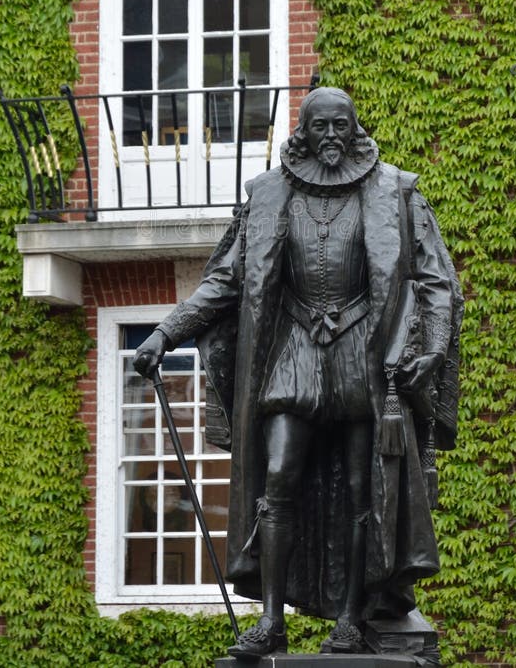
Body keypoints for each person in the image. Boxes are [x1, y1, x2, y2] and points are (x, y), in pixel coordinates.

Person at [133, 87, 462, 659]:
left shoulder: (396, 191)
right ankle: (271, 619)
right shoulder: (266, 195)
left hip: (366, 352)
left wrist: (429, 351)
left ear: (355, 129)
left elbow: (439, 283)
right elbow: (225, 281)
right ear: (303, 132)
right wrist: (165, 333)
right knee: (279, 474)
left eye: (341, 126)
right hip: (293, 351)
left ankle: (351, 618)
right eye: (320, 126)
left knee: (366, 487)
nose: (331, 136)